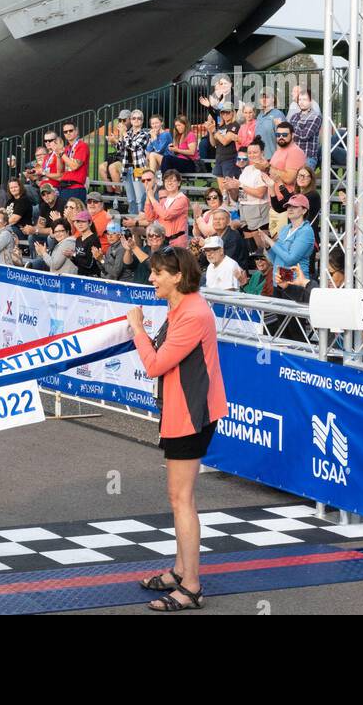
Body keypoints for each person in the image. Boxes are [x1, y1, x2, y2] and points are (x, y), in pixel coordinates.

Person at [128, 246, 227, 611]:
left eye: (157, 273)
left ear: (178, 277)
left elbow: (154, 364)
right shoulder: (183, 307)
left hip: (191, 414)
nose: (151, 278)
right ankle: (182, 570)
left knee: (181, 499)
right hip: (183, 411)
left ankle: (192, 586)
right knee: (180, 498)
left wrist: (137, 329)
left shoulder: (193, 313)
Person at [253, 194, 316, 302]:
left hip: (294, 283)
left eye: (295, 206)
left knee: (293, 318)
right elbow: (275, 260)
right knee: (280, 318)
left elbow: (291, 259)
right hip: (278, 281)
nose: (290, 209)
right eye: (288, 206)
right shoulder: (285, 229)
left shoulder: (306, 231)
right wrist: (268, 247)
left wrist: (270, 241)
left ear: (304, 210)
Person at [142, 168, 190, 247]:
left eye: (173, 180)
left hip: (177, 242)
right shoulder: (164, 201)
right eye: (167, 181)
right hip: (164, 241)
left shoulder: (182, 199)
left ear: (178, 183)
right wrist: (148, 197)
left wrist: (152, 198)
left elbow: (166, 215)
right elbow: (150, 217)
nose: (169, 183)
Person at [57, 121, 90, 206]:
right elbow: (59, 170)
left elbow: (75, 166)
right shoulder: (67, 148)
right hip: (64, 187)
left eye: (70, 130)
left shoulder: (82, 146)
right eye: (65, 132)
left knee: (75, 216)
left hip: (76, 188)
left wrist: (61, 153)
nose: (68, 133)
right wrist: (57, 153)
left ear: (76, 131)